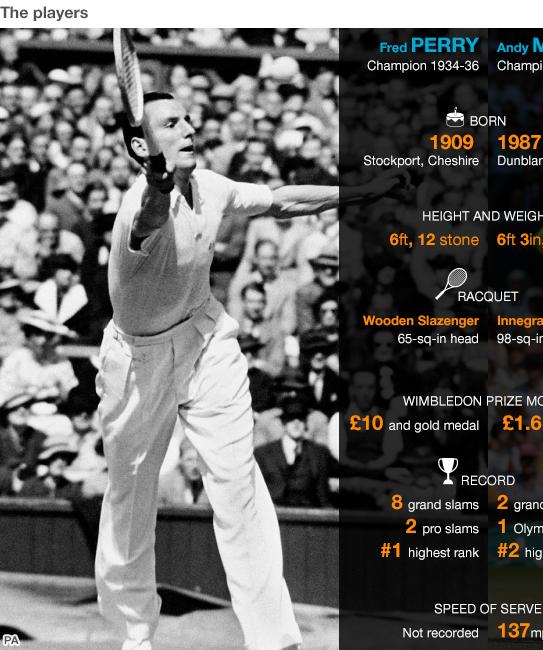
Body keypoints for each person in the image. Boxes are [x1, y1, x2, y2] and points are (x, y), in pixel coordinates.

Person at [95, 90, 407, 650]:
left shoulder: (211, 185)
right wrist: (158, 187)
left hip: (204, 337)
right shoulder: (135, 208)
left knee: (239, 482)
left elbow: (283, 201)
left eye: (189, 116)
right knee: (129, 498)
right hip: (137, 363)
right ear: (142, 146)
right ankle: (132, 638)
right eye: (172, 122)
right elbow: (148, 218)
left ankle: (275, 640)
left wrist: (358, 191)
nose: (190, 126)